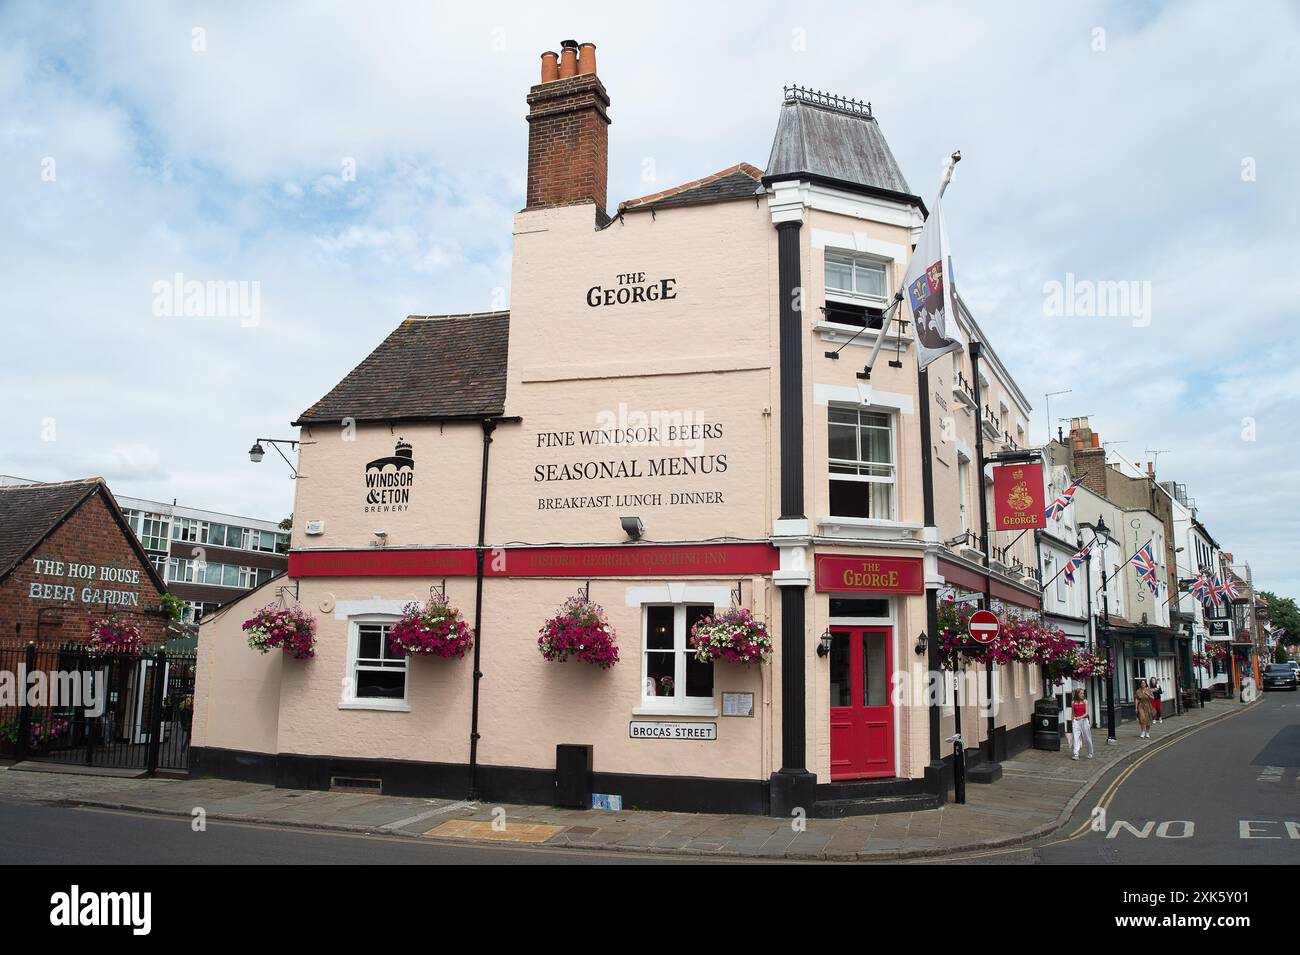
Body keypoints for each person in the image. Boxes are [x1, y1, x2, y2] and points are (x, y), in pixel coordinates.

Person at [1070, 688, 1094, 760]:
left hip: (1084, 720)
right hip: (1076, 721)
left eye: (1083, 693)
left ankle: (1090, 752)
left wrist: (1080, 717)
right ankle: (1076, 754)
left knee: (1087, 737)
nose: (1082, 695)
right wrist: (1072, 721)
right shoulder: (1073, 702)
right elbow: (1072, 713)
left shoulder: (1085, 701)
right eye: (1081, 693)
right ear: (1077, 694)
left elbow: (1086, 713)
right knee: (1075, 737)